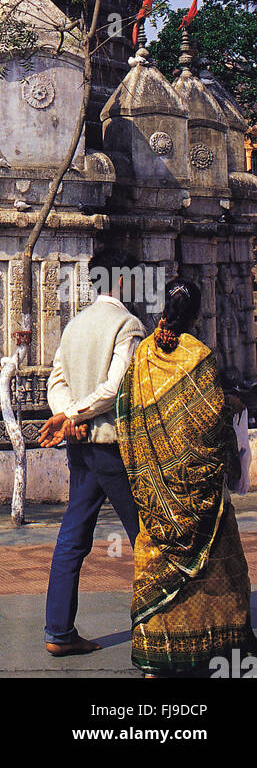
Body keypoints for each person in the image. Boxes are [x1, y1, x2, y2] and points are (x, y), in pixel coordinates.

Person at [116, 277, 256, 677]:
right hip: (197, 493)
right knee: (218, 565)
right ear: (195, 314)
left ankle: (155, 658)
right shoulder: (199, 357)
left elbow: (128, 415)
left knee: (156, 559)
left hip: (156, 491)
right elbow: (211, 422)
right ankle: (220, 645)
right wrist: (233, 408)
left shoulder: (142, 356)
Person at [39, 248, 147, 656]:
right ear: (121, 280)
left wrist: (68, 416)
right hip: (112, 448)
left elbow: (57, 381)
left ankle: (58, 630)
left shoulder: (75, 325)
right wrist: (76, 414)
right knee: (146, 537)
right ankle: (157, 631)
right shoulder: (127, 325)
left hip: (79, 445)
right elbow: (116, 388)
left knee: (72, 537)